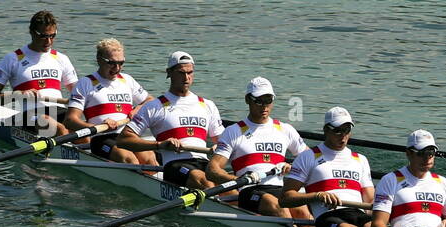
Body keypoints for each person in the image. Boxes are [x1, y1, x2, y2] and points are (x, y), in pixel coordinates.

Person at [116, 51, 224, 189]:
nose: (186, 77)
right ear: (169, 73)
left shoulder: (207, 105)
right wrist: (160, 145)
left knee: (231, 191)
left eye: (190, 72)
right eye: (181, 73)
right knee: (205, 182)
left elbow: (223, 142)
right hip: (174, 166)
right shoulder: (155, 106)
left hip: (204, 162)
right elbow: (123, 140)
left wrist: (220, 147)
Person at [207, 77, 309, 217]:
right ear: (247, 100)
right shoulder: (233, 131)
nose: (264, 106)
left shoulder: (285, 129)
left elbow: (310, 162)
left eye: (268, 100)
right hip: (249, 190)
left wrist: (292, 166)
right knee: (278, 207)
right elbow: (212, 170)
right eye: (259, 101)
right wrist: (236, 180)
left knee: (304, 212)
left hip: (279, 188)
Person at [280, 107, 374, 227]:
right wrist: (317, 196)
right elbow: (284, 199)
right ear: (326, 130)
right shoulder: (308, 157)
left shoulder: (360, 159)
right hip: (328, 217)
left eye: (346, 130)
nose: (343, 135)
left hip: (358, 214)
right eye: (337, 130)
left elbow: (370, 199)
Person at [0, 11, 78, 137]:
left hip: (59, 111)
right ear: (32, 32)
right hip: (28, 115)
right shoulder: (13, 59)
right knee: (58, 128)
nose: (48, 41)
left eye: (52, 36)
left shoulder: (61, 58)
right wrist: (19, 94)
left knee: (79, 130)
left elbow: (78, 93)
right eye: (43, 36)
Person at [63, 38, 155, 165]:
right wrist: (98, 127)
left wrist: (137, 109)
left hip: (127, 135)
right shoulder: (86, 83)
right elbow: (70, 121)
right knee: (128, 158)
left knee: (150, 158)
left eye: (121, 63)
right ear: (99, 60)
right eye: (111, 63)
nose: (117, 68)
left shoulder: (127, 80)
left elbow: (150, 100)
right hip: (102, 138)